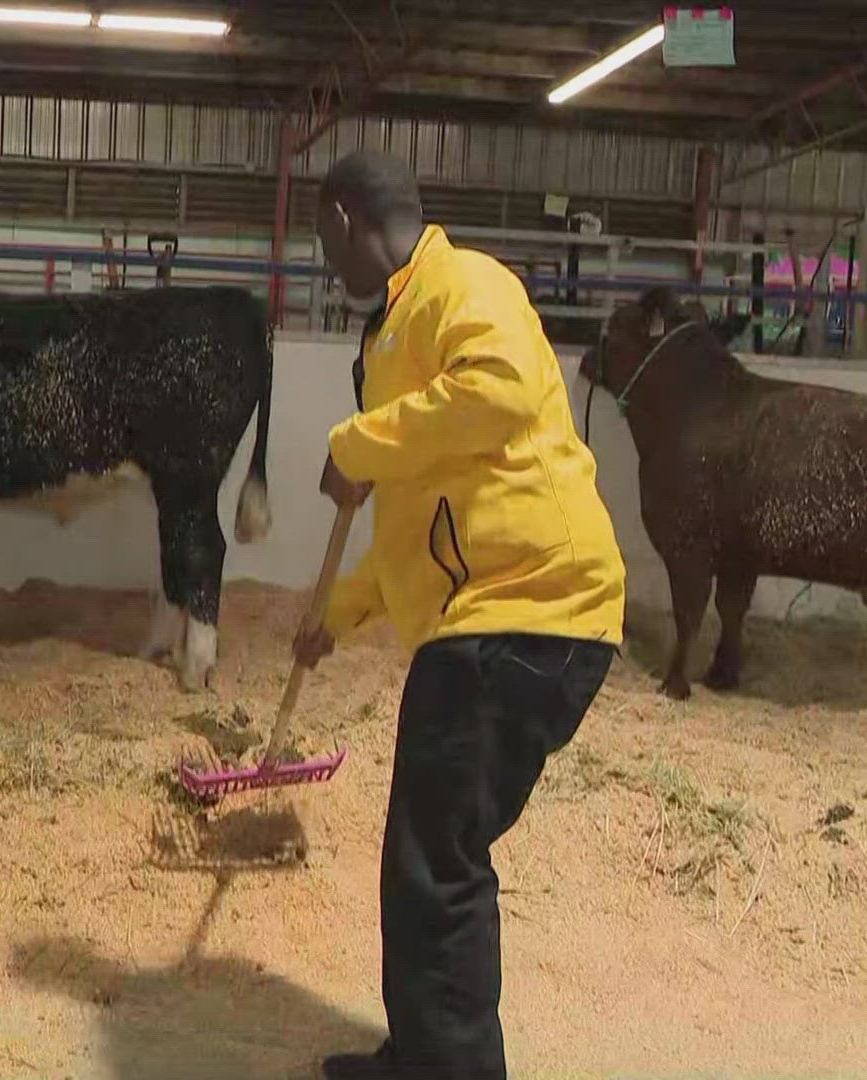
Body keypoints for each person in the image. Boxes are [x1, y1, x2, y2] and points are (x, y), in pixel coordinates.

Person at [296, 152, 626, 1080]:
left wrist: (358, 441)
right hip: (489, 617)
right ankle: (425, 1055)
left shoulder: (466, 284)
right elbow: (418, 519)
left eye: (325, 242)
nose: (327, 266)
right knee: (426, 855)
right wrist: (340, 611)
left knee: (438, 863)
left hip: (528, 613)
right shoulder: (401, 323)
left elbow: (501, 391)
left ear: (346, 215)